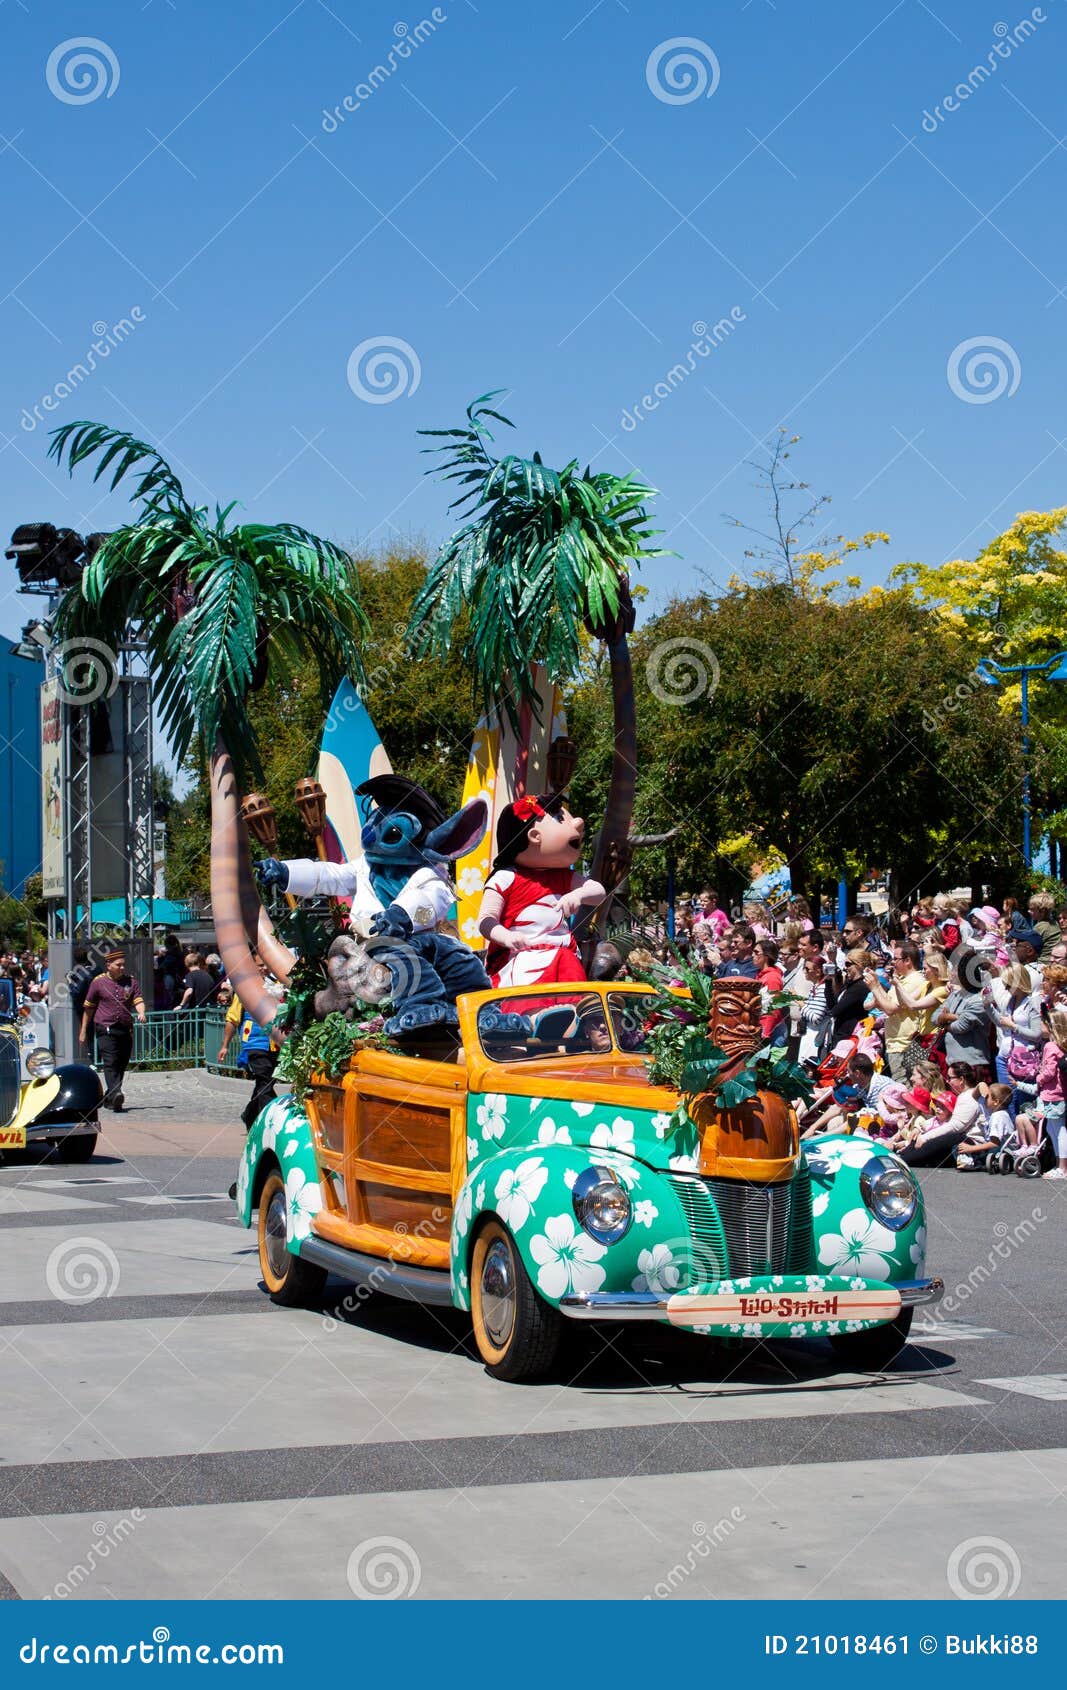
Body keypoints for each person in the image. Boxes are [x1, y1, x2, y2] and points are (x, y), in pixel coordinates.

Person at [218, 958, 284, 1130]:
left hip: (273, 1043)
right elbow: (232, 1018)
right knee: (264, 1080)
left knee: (266, 1081)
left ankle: (250, 1115)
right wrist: (225, 1045)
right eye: (260, 965)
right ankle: (272, 1123)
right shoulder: (245, 989)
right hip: (254, 1042)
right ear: (253, 966)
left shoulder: (277, 985)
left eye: (266, 965)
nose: (263, 969)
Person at [80, 950, 146, 1111]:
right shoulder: (98, 982)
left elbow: (138, 1000)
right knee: (110, 1062)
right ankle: (116, 1093)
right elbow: (88, 1008)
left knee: (121, 1063)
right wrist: (83, 1031)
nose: (122, 967)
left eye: (123, 964)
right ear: (109, 966)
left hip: (125, 1028)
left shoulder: (131, 982)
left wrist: (141, 1012)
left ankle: (111, 1098)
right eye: (119, 965)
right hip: (105, 1028)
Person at [897, 1062, 983, 1166]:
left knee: (941, 1139)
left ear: (961, 1080)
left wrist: (926, 1137)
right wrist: (921, 1129)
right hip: (959, 1137)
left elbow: (956, 1126)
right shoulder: (963, 1096)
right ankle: (902, 1156)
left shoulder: (969, 1098)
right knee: (926, 1137)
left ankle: (904, 1160)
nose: (948, 1081)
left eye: (950, 1078)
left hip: (970, 1142)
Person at [864, 941, 926, 1078]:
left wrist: (874, 987)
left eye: (896, 959)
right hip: (894, 1043)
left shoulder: (915, 981)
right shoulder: (901, 979)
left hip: (905, 1045)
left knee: (904, 1089)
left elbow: (891, 1009)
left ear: (908, 960)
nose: (892, 962)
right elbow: (884, 1003)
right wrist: (876, 983)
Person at [932, 949, 993, 1081]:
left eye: (955, 970)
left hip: (972, 1064)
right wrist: (949, 1017)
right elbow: (934, 1017)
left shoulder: (978, 1000)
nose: (952, 973)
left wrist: (947, 1019)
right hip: (952, 1061)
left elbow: (960, 1027)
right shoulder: (955, 994)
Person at [890, 949, 950, 1075]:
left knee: (929, 1077)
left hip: (934, 1039)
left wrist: (898, 985)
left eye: (926, 968)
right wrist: (897, 985)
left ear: (935, 969)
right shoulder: (926, 985)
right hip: (922, 1038)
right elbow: (905, 1003)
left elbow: (913, 1005)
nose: (923, 972)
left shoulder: (942, 990)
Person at [986, 963, 1042, 1097]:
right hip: (1004, 1056)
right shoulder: (1011, 1000)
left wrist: (1014, 1026)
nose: (1005, 988)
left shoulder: (1032, 1002)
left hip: (1023, 1060)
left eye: (1009, 984)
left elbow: (1037, 1034)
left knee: (1020, 1101)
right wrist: (987, 1006)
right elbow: (1002, 1023)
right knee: (1004, 1100)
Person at [956, 1082, 1015, 1169]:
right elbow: (975, 1095)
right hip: (993, 1146)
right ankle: (967, 1159)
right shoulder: (994, 1111)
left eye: (988, 1097)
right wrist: (981, 1084)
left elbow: (995, 1143)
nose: (985, 1099)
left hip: (1002, 1150)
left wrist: (971, 1148)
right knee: (958, 1146)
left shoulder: (998, 1116)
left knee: (988, 1153)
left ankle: (974, 1162)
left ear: (996, 1102)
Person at [754, 937, 784, 1044]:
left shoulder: (772, 978)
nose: (753, 955)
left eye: (756, 952)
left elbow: (774, 1008)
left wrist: (765, 1033)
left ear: (766, 956)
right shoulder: (760, 975)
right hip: (762, 1028)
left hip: (772, 1033)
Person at [1027, 892, 1060, 961]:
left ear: (1042, 911)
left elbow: (1028, 948)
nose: (1028, 911)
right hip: (1053, 960)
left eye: (1032, 909)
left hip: (1043, 962)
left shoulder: (1040, 927)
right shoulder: (1054, 922)